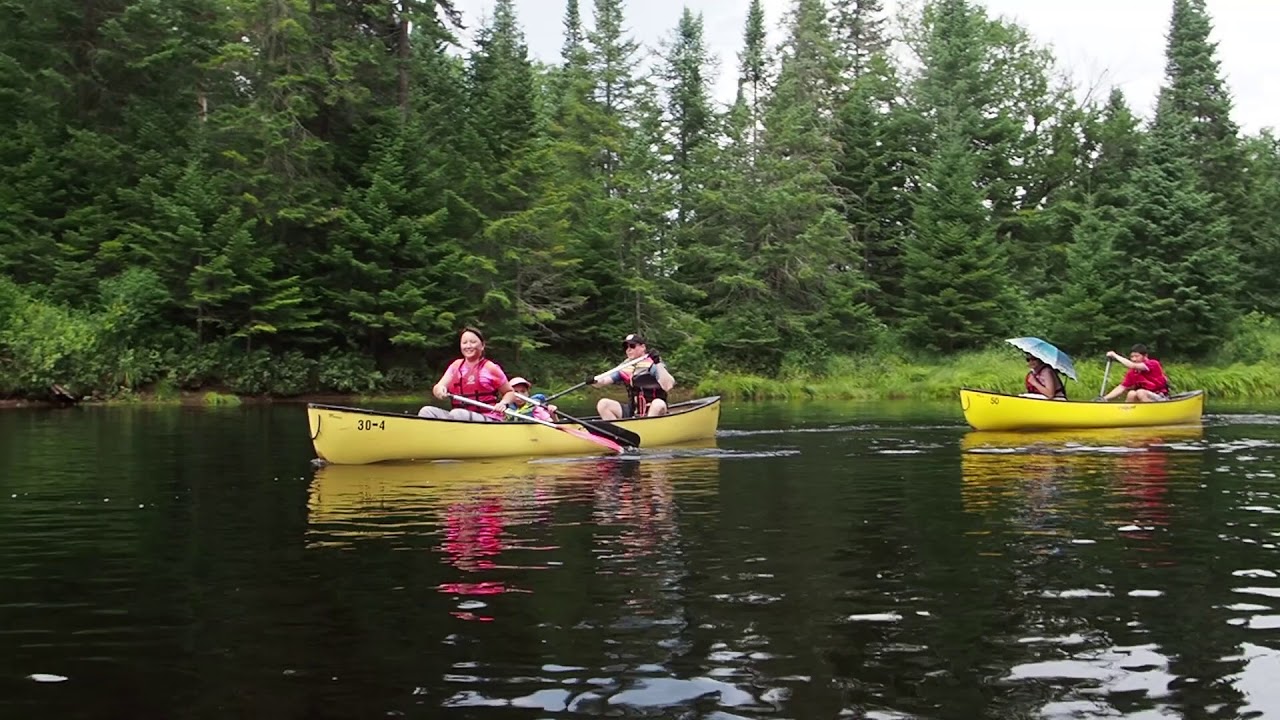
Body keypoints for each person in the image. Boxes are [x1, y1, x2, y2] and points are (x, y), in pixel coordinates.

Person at [419, 327, 515, 421]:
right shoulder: (455, 366)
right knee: (426, 411)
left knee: (457, 413)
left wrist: (504, 403)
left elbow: (509, 392)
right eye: (464, 343)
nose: (468, 346)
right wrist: (439, 390)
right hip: (458, 416)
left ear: (482, 345)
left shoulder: (490, 368)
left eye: (473, 342)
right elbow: (438, 386)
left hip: (487, 417)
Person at [589, 333, 676, 420]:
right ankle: (617, 431)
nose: (628, 349)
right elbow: (603, 382)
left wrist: (657, 364)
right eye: (626, 347)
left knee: (658, 404)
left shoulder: (653, 363)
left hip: (654, 410)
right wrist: (595, 381)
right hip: (633, 410)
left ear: (643, 347)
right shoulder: (625, 366)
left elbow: (668, 385)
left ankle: (648, 429)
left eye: (632, 346)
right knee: (603, 404)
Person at [1101, 343, 1170, 402]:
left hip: (1160, 397)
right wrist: (1104, 398)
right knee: (1131, 393)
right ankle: (1128, 414)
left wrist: (1115, 356)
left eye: (1137, 356)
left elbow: (1132, 365)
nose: (1134, 359)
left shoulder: (1153, 364)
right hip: (1144, 395)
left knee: (1140, 392)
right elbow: (1121, 387)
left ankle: (1152, 413)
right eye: (1132, 357)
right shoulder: (1132, 373)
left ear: (1145, 356)